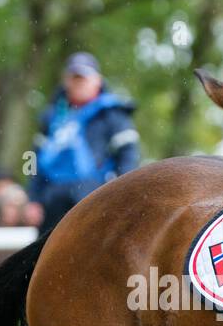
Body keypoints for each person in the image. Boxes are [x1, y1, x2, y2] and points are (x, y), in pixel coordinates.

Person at [27, 52, 140, 233]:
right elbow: (31, 158)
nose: (79, 82)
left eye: (84, 77)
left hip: (96, 202)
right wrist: (32, 199)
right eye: (74, 78)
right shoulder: (50, 117)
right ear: (66, 81)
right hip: (51, 206)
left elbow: (129, 157)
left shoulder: (113, 114)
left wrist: (122, 198)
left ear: (97, 80)